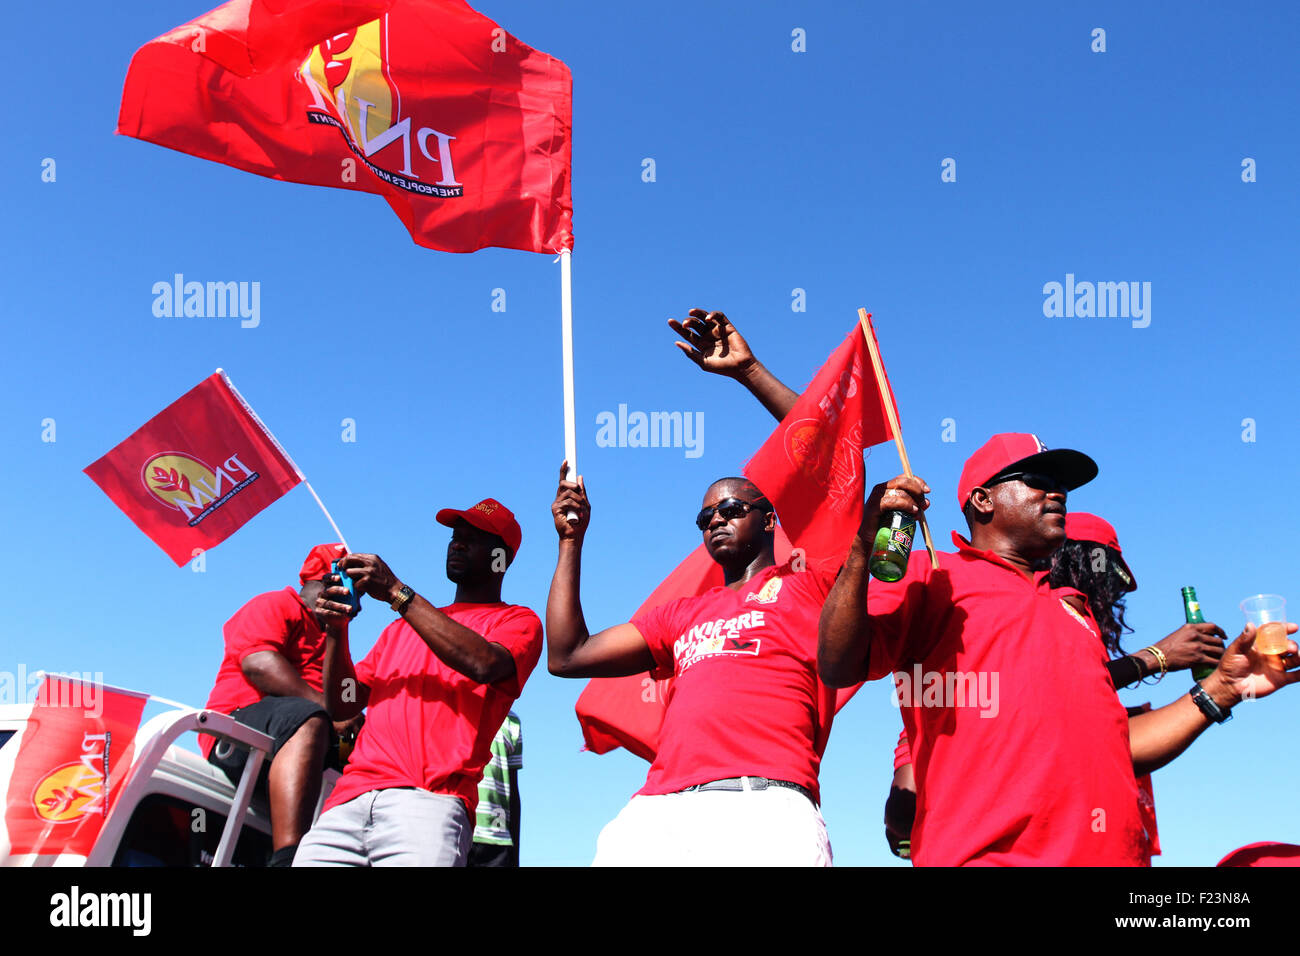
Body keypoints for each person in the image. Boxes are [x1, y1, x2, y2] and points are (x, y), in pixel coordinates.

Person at [818, 432, 1300, 866]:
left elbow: (1119, 745)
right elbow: (840, 664)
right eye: (1037, 479)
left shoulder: (1075, 608)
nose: (1057, 493)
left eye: (1062, 484)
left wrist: (1224, 687)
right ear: (982, 500)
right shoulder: (934, 574)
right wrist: (864, 548)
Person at [547, 455, 890, 865]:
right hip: (660, 811)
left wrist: (749, 384)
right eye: (705, 517)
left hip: (765, 807)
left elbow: (834, 467)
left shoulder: (809, 585)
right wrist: (571, 541)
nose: (714, 521)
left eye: (731, 510)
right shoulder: (679, 614)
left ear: (768, 521)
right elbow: (568, 655)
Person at [882, 511, 1229, 862]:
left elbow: (1091, 726)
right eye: (1093, 574)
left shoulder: (1077, 646)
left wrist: (1221, 686)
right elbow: (1039, 684)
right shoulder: (968, 667)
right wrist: (1158, 657)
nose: (1101, 598)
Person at [294, 499, 543, 867]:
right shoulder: (400, 628)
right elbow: (342, 704)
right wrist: (336, 630)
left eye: (472, 539)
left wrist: (396, 590)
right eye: (455, 538)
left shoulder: (518, 621)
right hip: (345, 803)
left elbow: (482, 663)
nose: (457, 544)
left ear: (500, 560)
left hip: (428, 804)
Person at [199, 543, 361, 867]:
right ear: (321, 582)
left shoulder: (333, 639)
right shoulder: (276, 603)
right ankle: (289, 859)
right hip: (239, 730)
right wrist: (331, 713)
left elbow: (346, 703)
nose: (351, 600)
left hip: (304, 739)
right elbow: (258, 664)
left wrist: (355, 726)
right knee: (311, 718)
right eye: (343, 588)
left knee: (369, 752)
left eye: (357, 594)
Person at [467, 710, 523, 867]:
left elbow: (513, 793)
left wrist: (515, 853)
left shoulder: (512, 721)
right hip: (458, 829)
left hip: (497, 839)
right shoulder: (458, 706)